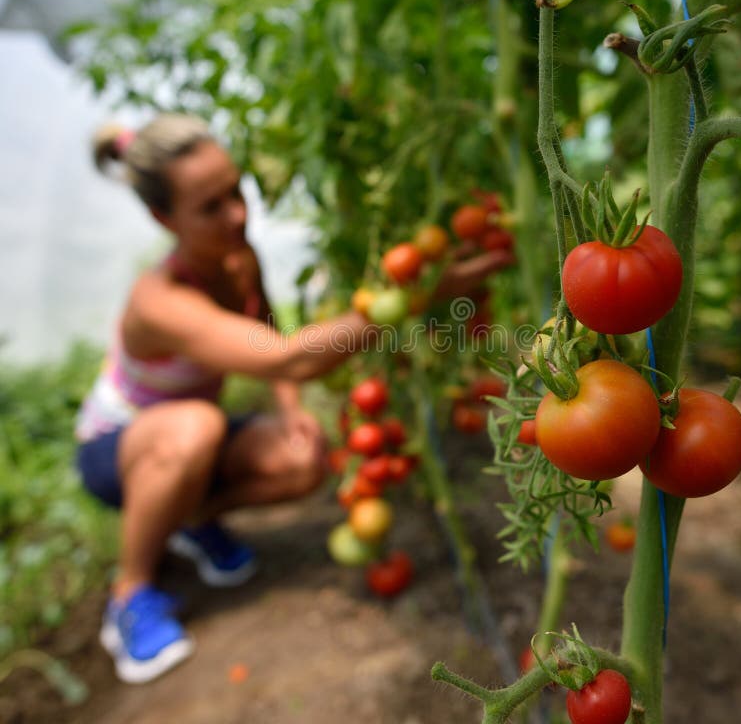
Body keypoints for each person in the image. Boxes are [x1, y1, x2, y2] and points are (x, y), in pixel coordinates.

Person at [74, 113, 514, 684]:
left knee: (304, 459)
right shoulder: (157, 300)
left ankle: (187, 520)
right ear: (164, 217)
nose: (238, 213)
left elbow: (268, 329)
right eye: (211, 206)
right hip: (119, 447)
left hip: (190, 431)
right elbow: (288, 356)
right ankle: (129, 596)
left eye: (236, 190)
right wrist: (423, 294)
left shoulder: (238, 258)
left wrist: (290, 409)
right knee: (195, 429)